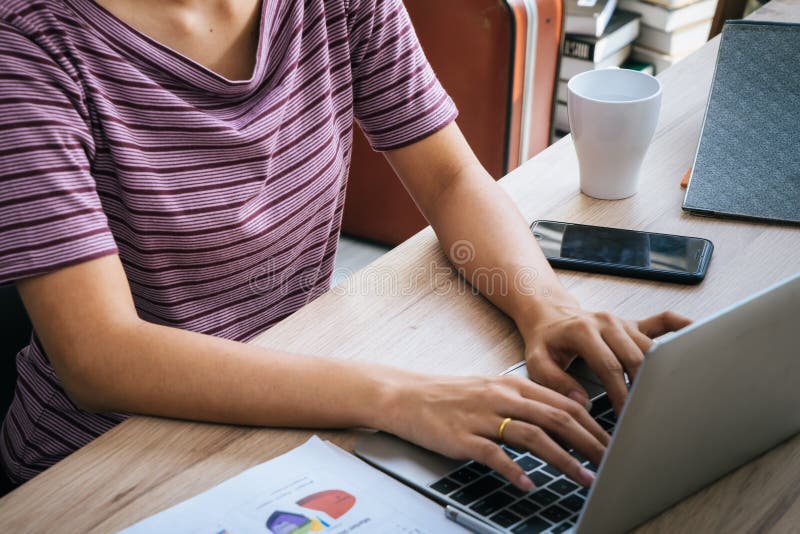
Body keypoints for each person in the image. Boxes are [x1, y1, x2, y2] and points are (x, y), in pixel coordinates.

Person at [0, 0, 690, 489]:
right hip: (106, 464)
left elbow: (448, 178)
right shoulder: (27, 43)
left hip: (297, 409)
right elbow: (100, 355)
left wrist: (546, 306)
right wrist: (397, 396)